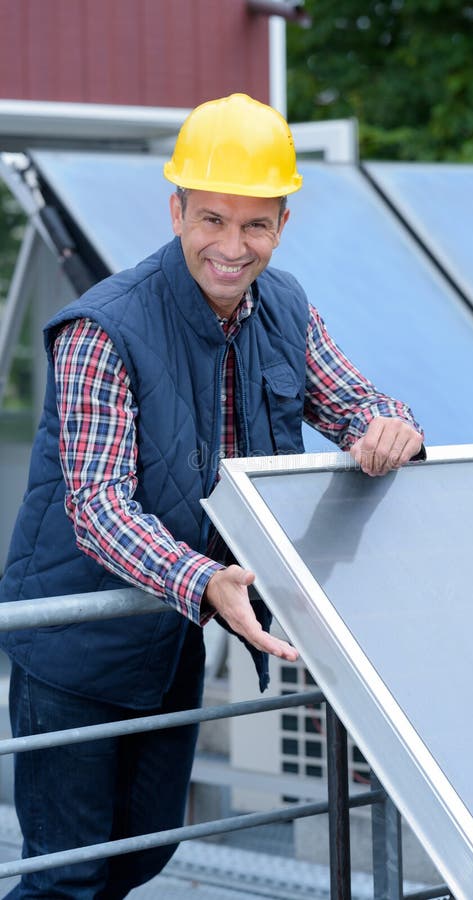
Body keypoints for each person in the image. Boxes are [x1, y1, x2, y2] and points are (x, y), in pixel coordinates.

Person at [0, 93, 425, 898]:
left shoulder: (286, 308)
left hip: (172, 639)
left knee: (142, 856)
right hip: (75, 647)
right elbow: (96, 505)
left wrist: (389, 426)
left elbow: (355, 401)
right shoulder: (104, 330)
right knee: (66, 876)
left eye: (255, 224)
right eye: (212, 220)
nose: (232, 247)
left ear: (281, 223)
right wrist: (204, 579)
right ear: (176, 211)